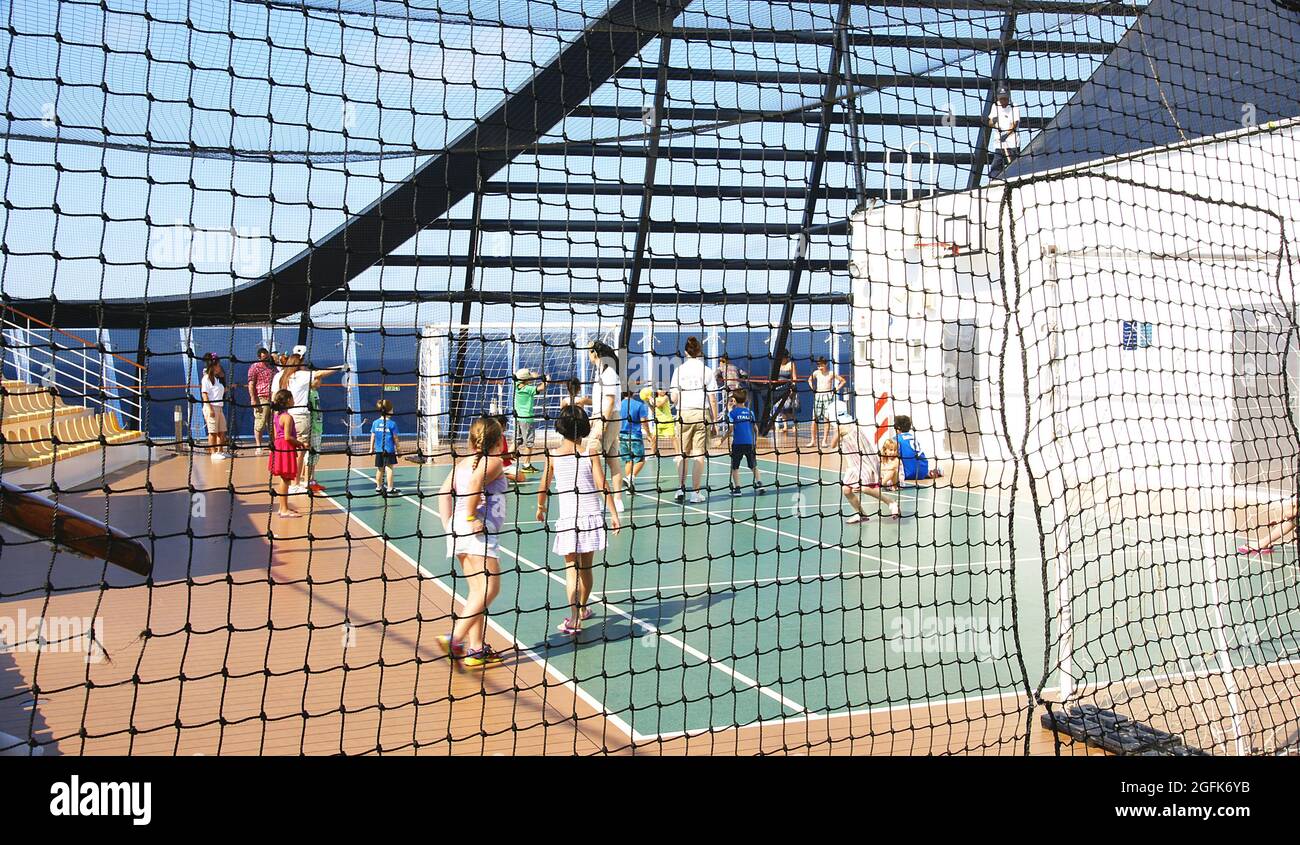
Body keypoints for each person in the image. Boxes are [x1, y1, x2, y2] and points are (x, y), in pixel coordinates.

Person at [535, 405, 620, 636]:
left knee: (571, 570)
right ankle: (582, 610)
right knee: (586, 569)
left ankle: (574, 618)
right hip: (591, 518)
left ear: (560, 428)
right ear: (583, 428)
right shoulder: (589, 452)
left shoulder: (552, 455)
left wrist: (540, 507)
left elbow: (543, 485)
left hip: (569, 521)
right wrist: (613, 513)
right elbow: (603, 485)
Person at [436, 416, 508, 670]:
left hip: (459, 530)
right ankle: (454, 639)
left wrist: (450, 526)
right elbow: (476, 484)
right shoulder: (494, 461)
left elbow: (444, 493)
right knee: (491, 589)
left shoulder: (464, 463)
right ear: (498, 440)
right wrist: (469, 516)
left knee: (476, 592)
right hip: (478, 531)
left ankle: (476, 648)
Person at [282, 353, 344, 493]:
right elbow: (319, 373)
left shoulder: (286, 377)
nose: (304, 366)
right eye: (302, 363)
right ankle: (296, 484)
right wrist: (340, 367)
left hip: (290, 416)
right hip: (301, 417)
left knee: (298, 451)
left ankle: (302, 481)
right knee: (301, 452)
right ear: (298, 364)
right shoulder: (300, 375)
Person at [670, 336, 717, 504]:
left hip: (683, 414)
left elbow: (674, 398)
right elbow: (712, 398)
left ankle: (680, 488)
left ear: (685, 352)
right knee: (699, 455)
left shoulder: (679, 370)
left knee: (682, 454)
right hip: (701, 414)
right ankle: (695, 493)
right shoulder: (707, 370)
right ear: (699, 352)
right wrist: (714, 422)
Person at [837, 405, 900, 523]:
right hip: (853, 466)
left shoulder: (851, 429)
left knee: (865, 489)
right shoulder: (845, 429)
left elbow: (833, 445)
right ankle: (860, 514)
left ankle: (891, 502)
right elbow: (846, 449)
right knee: (846, 489)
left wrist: (837, 432)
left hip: (865, 463)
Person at [586, 341, 625, 510]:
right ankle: (617, 500)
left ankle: (600, 501)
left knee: (591, 457)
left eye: (589, 351)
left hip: (607, 419)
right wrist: (583, 401)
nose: (588, 354)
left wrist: (601, 424)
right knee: (612, 460)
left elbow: (609, 402)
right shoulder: (601, 372)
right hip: (603, 417)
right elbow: (603, 401)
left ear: (595, 353)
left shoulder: (608, 373)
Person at [267, 389, 306, 519]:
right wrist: (300, 444)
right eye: (292, 398)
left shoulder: (277, 416)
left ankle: (283, 507)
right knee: (286, 479)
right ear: (288, 400)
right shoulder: (287, 417)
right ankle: (284, 509)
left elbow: (276, 435)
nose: (294, 400)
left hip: (278, 446)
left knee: (285, 479)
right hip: (285, 447)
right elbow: (287, 437)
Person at [727, 389, 763, 494]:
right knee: (753, 465)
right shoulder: (750, 412)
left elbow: (731, 429)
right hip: (749, 444)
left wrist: (721, 440)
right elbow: (756, 429)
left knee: (734, 467)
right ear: (745, 399)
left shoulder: (732, 413)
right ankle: (760, 484)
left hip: (737, 444)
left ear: (734, 400)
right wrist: (755, 441)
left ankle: (737, 489)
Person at [618, 389, 653, 495]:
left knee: (629, 461)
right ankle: (630, 478)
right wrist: (648, 434)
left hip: (622, 436)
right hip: (635, 436)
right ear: (632, 393)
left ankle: (629, 487)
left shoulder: (619, 405)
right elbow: (644, 421)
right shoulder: (639, 405)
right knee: (641, 460)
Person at [807, 356, 846, 449]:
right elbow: (809, 380)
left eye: (821, 365)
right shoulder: (816, 373)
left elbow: (843, 381)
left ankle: (824, 440)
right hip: (818, 396)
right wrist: (813, 388)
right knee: (814, 419)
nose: (819, 367)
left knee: (826, 419)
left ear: (825, 364)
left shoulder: (831, 373)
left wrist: (835, 390)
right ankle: (813, 440)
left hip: (828, 396)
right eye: (818, 365)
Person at [513, 368, 547, 473]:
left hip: (518, 418)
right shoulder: (528, 389)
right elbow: (541, 388)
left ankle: (505, 457)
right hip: (527, 419)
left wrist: (534, 376)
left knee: (518, 440)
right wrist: (546, 380)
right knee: (529, 442)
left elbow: (531, 376)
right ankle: (526, 464)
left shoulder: (517, 384)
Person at [893, 414, 944, 481]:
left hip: (907, 474)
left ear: (898, 427)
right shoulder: (914, 438)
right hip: (922, 472)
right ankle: (931, 472)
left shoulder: (895, 439)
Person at [199, 353, 230, 460]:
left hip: (219, 407)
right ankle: (213, 452)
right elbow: (205, 394)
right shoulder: (206, 378)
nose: (219, 367)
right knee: (212, 432)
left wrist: (229, 388)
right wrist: (209, 408)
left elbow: (219, 390)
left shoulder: (217, 379)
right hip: (211, 407)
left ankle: (220, 451)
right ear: (213, 366)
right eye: (218, 365)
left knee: (222, 430)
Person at [246, 347, 277, 453]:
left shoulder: (272, 367)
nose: (266, 358)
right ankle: (258, 446)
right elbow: (251, 384)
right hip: (261, 398)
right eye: (264, 357)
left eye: (267, 356)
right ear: (259, 357)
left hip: (273, 398)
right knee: (260, 422)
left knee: (272, 423)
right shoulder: (254, 367)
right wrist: (253, 399)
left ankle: (272, 444)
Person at [369, 399, 401, 496]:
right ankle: (390, 488)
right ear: (389, 410)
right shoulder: (392, 424)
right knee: (389, 468)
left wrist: (371, 448)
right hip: (389, 451)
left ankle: (378, 487)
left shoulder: (375, 423)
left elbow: (372, 436)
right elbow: (395, 438)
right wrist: (399, 450)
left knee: (380, 469)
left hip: (379, 450)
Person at [987, 86, 1020, 179]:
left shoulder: (1014, 106)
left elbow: (1014, 124)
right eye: (1001, 98)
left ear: (1008, 97)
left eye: (1005, 98)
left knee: (1014, 166)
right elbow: (989, 123)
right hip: (999, 144)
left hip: (1013, 143)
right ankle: (994, 181)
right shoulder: (995, 106)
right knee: (996, 165)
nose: (1003, 101)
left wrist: (1006, 134)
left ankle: (1016, 180)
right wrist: (993, 121)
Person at [773, 350, 799, 439]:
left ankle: (795, 425)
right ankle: (785, 426)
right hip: (779, 389)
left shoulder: (791, 364)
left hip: (788, 388)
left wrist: (793, 388)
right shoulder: (777, 364)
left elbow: (794, 377)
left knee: (790, 408)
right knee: (781, 408)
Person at [650, 388, 677, 459]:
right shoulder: (654, 399)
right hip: (658, 422)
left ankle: (678, 454)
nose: (663, 391)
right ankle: (652, 454)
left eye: (664, 389)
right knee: (654, 438)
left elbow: (659, 405)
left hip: (668, 421)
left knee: (673, 438)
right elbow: (653, 410)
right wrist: (648, 402)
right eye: (660, 389)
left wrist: (650, 399)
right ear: (657, 391)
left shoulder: (666, 397)